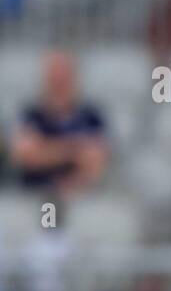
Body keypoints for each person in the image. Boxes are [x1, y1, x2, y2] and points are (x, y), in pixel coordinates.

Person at [11, 50, 108, 197]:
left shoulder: (91, 117)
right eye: (54, 74)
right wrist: (76, 149)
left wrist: (46, 148)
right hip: (33, 197)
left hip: (78, 198)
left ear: (74, 77)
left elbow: (95, 161)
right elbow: (26, 156)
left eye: (63, 74)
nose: (59, 80)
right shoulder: (30, 115)